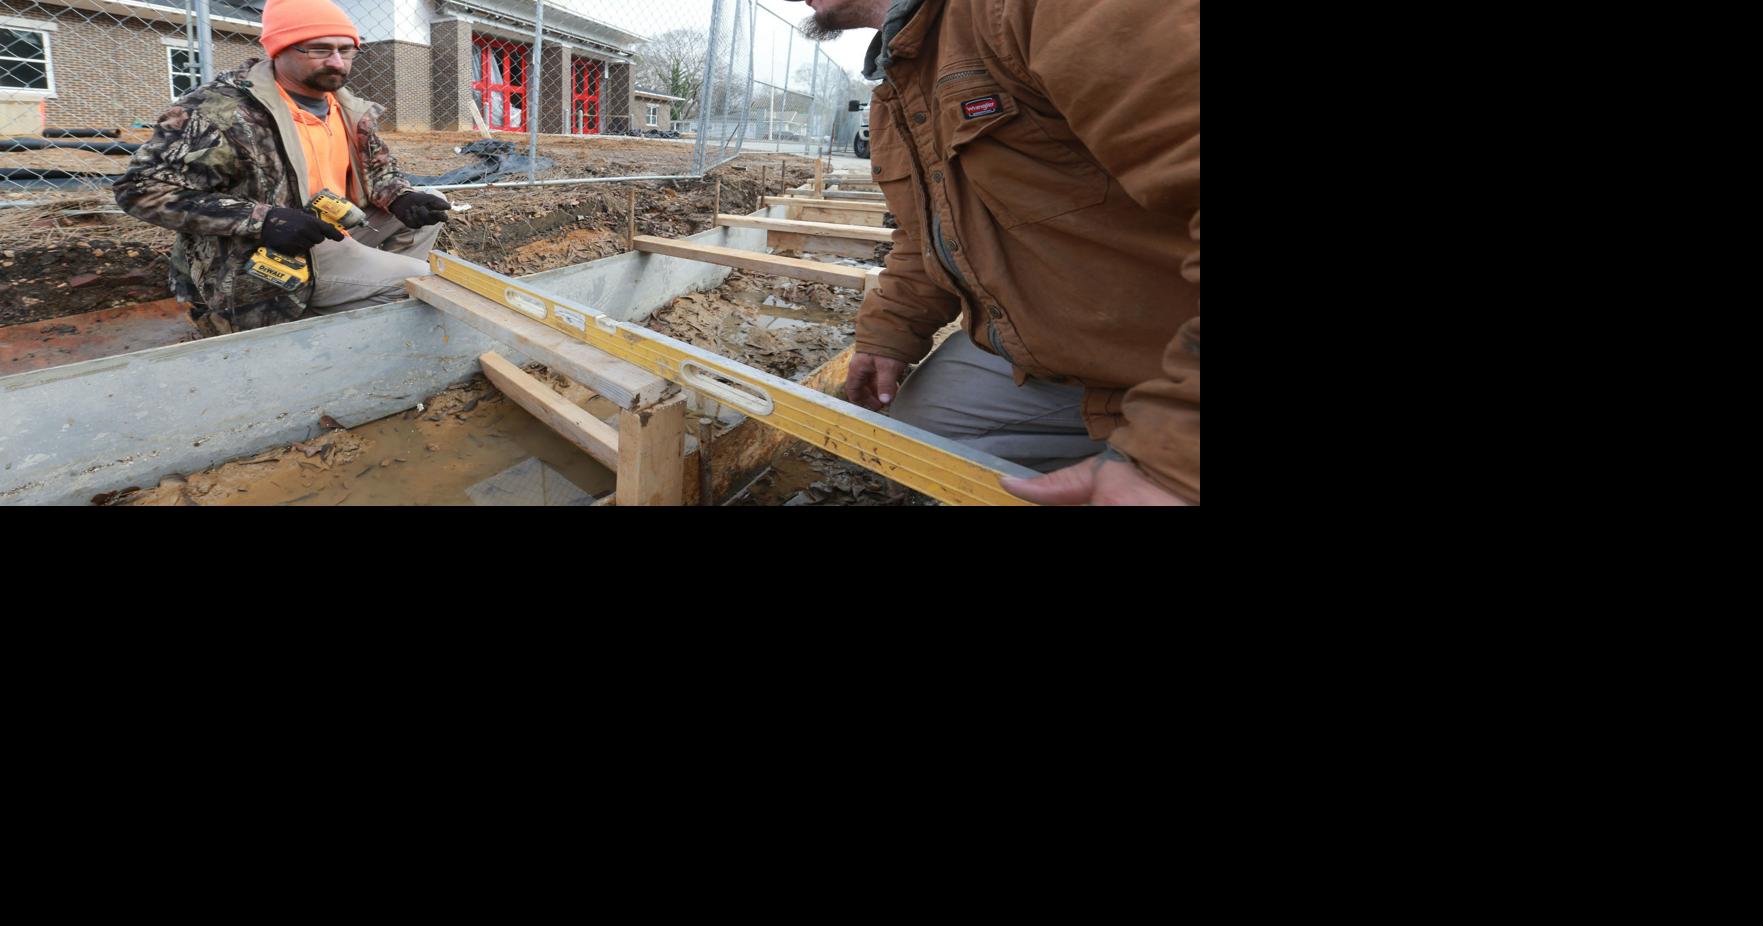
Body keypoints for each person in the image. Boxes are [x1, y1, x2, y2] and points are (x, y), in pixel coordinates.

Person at [791, 0, 1200, 505]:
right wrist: (890, 333)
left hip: (1174, 357)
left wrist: (1175, 457)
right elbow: (930, 234)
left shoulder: (1039, 12)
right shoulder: (901, 84)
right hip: (1069, 348)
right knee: (927, 428)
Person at [115, 0, 452, 336]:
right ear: (279, 49)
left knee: (428, 200)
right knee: (421, 279)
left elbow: (379, 172)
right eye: (319, 49)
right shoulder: (218, 111)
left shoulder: (347, 107)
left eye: (346, 50)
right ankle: (308, 308)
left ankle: (355, 291)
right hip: (264, 253)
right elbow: (140, 189)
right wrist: (264, 220)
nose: (337, 62)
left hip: (329, 231)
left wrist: (400, 197)